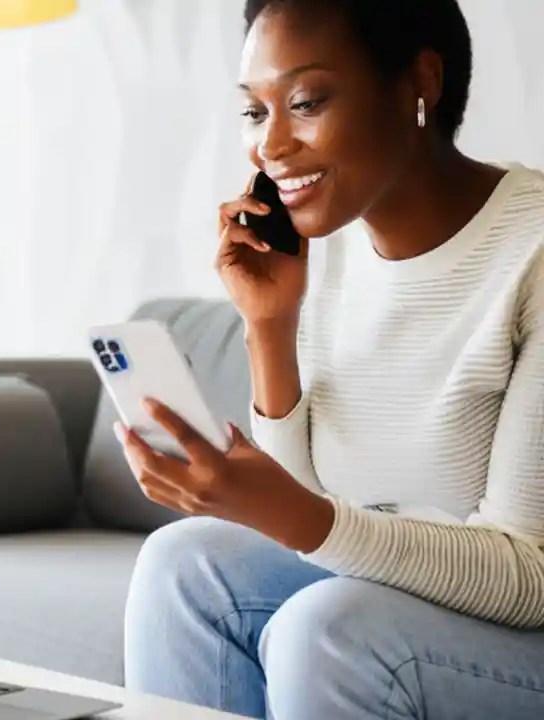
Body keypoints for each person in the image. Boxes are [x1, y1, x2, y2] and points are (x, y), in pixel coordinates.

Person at [117, 0, 544, 717]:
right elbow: (313, 498)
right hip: (402, 601)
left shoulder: (530, 252)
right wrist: (270, 325)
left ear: (422, 84)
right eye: (256, 112)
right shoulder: (328, 249)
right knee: (183, 563)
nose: (270, 146)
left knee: (328, 631)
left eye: (306, 102)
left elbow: (531, 575)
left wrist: (299, 519)